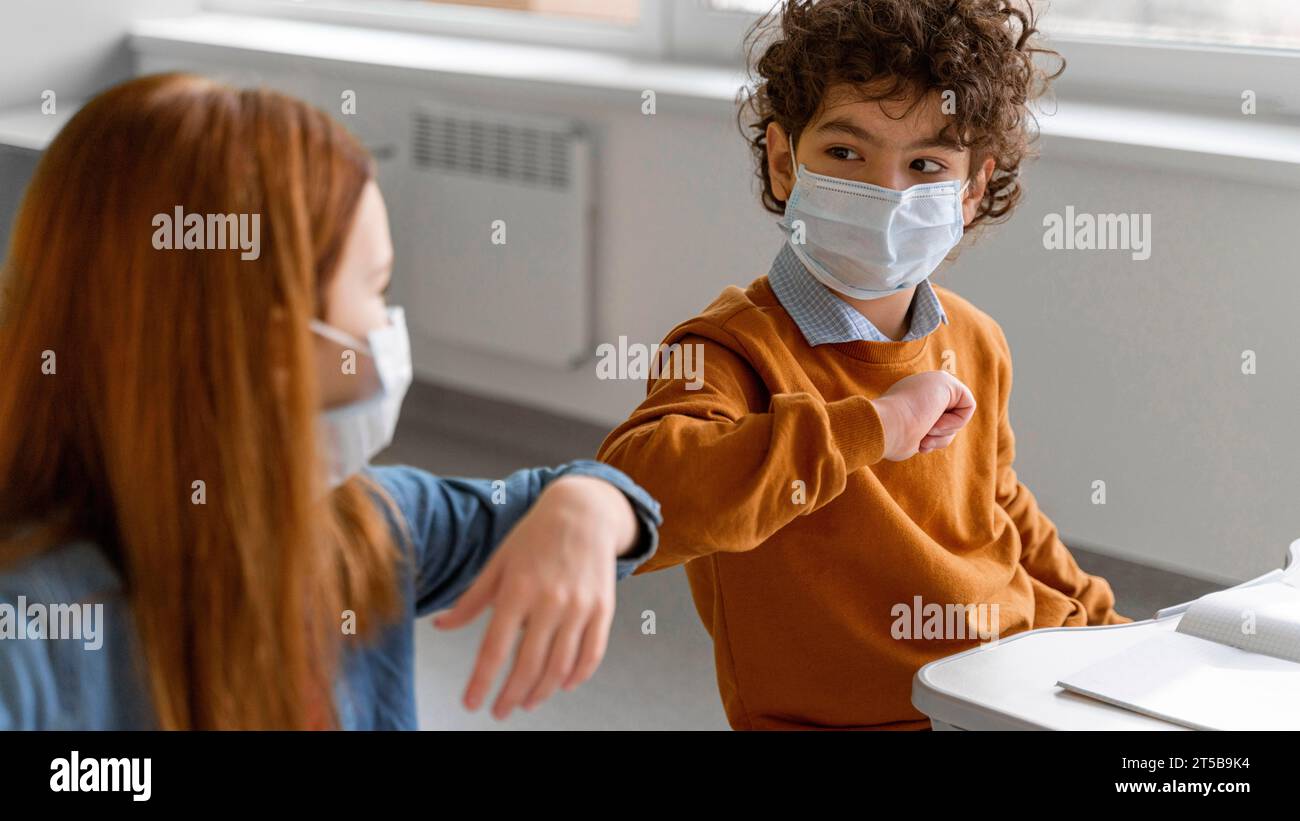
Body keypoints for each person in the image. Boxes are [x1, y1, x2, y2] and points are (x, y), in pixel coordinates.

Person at [0, 73, 662, 730]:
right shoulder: (33, 636)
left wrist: (588, 508)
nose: (388, 322)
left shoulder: (363, 523)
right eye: (376, 289)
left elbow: (585, 497)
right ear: (277, 348)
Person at [598, 0, 1131, 731]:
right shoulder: (727, 352)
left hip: (1017, 683)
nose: (887, 192)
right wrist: (874, 425)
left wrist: (1114, 632)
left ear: (971, 190)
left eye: (925, 165)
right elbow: (642, 494)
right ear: (787, 163)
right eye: (847, 154)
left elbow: (1000, 510)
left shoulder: (976, 339)